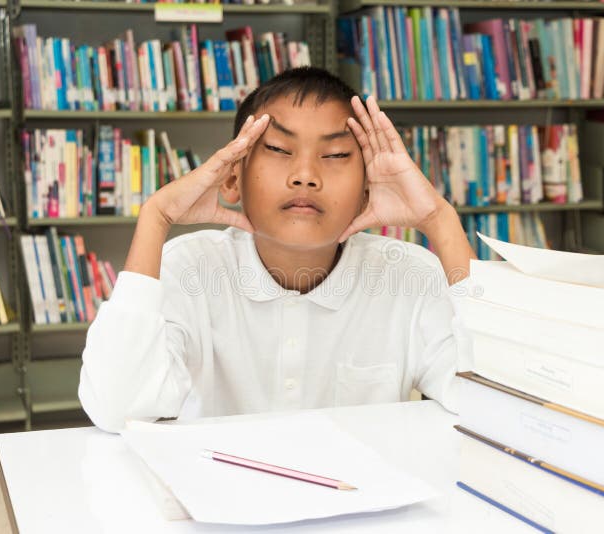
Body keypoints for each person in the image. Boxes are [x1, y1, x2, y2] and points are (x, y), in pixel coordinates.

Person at [78, 66, 477, 433]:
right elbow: (118, 408)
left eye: (336, 155)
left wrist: (440, 220)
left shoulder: (408, 275)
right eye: (279, 150)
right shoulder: (189, 268)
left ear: (368, 191)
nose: (305, 176)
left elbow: (498, 398)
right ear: (233, 177)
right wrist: (155, 216)